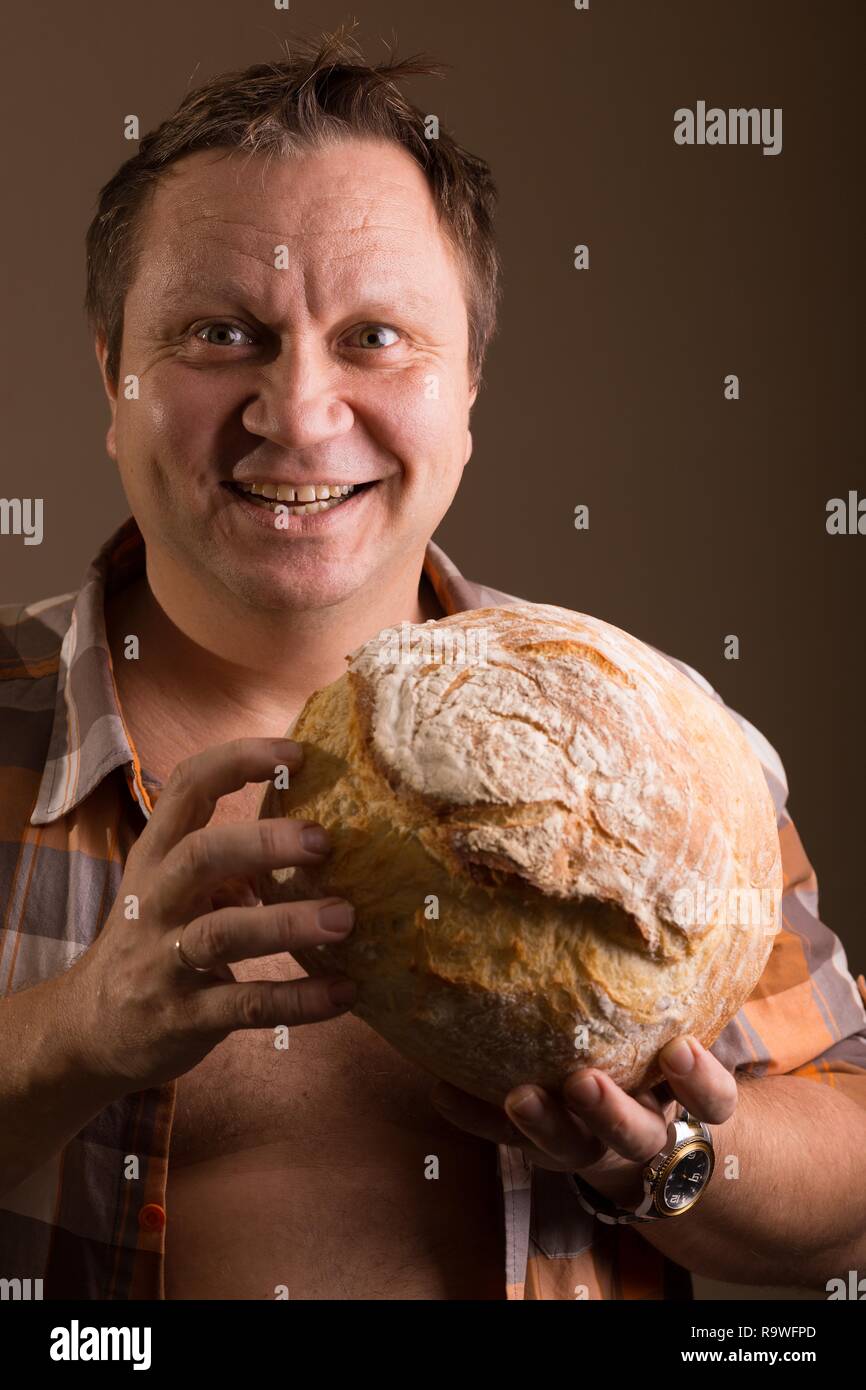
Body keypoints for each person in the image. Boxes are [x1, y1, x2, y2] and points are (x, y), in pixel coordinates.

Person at [1, 28, 865, 1302]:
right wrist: (71, 1037)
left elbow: (846, 1184)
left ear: (466, 390)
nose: (297, 412)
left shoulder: (662, 751)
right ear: (113, 380)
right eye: (220, 333)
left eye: (374, 338)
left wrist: (666, 1155)